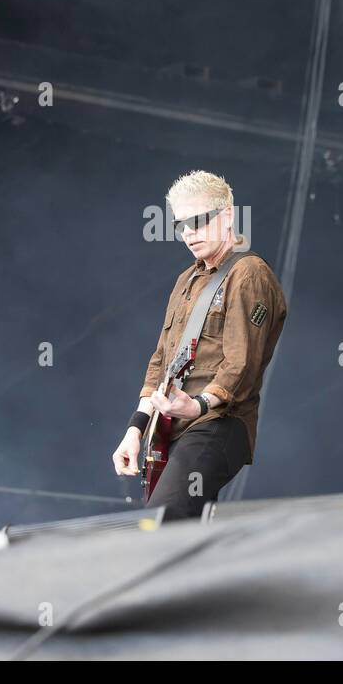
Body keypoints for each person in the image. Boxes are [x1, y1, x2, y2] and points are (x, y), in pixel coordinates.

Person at [113, 170, 287, 518]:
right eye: (181, 225)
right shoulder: (186, 280)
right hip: (169, 429)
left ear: (227, 217)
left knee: (162, 520)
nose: (189, 233)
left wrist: (198, 405)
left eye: (198, 221)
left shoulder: (249, 273)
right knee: (180, 531)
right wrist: (136, 428)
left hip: (218, 423)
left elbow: (242, 365)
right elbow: (161, 361)